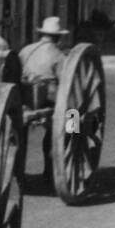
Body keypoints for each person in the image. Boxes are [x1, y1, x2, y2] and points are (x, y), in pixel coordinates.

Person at [19, 17, 70, 181]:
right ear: (58, 37)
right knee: (73, 111)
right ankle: (72, 136)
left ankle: (18, 173)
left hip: (24, 96)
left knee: (20, 135)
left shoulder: (26, 50)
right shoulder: (59, 55)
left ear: (42, 34)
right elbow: (66, 83)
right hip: (49, 98)